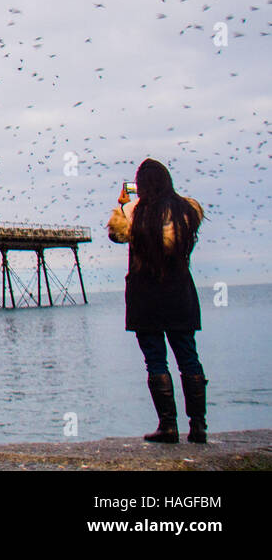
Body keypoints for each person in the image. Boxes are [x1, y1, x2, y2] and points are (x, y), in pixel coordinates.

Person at [107, 159, 207, 443]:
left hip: (145, 295)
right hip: (179, 294)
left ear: (139, 185)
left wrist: (122, 204)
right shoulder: (187, 210)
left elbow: (115, 235)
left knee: (155, 360)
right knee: (188, 357)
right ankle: (198, 426)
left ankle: (168, 426)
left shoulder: (131, 211)